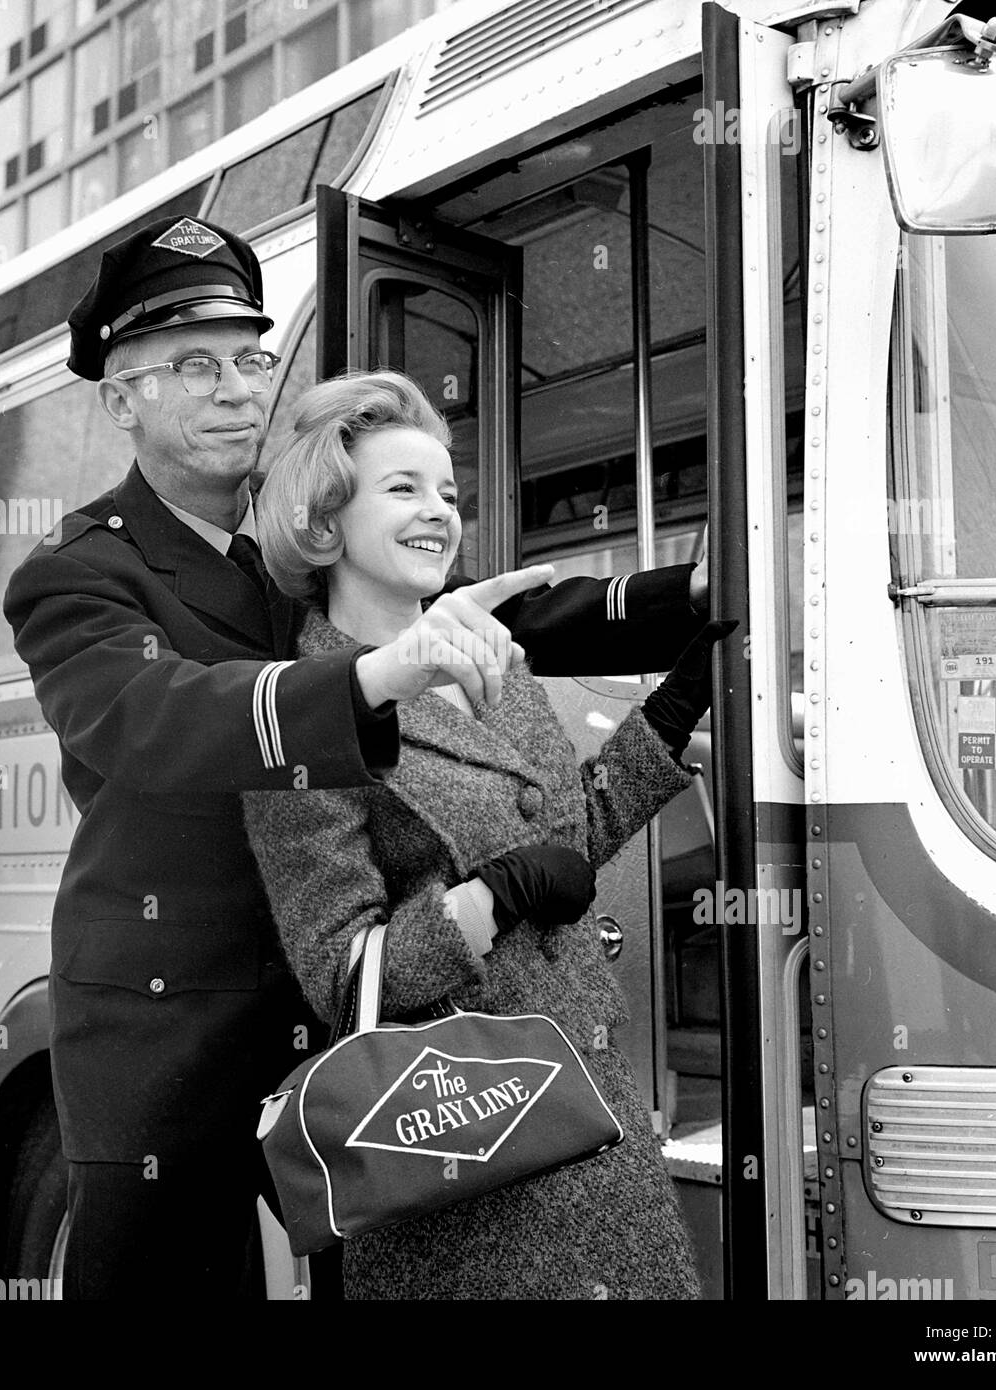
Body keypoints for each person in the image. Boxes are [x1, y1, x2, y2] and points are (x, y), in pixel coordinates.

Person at [3, 214, 713, 1299]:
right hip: (177, 1018)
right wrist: (382, 679)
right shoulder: (77, 572)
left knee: (386, 1260)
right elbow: (159, 714)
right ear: (120, 398)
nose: (237, 386)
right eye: (193, 365)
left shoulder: (293, 526)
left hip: (344, 998)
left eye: (250, 357)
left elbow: (446, 606)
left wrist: (686, 603)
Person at [244, 370, 734, 1299]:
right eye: (404, 490)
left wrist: (675, 706)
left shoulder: (490, 663)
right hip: (464, 1173)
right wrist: (492, 897)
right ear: (323, 519)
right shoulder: (300, 713)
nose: (438, 513)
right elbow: (350, 986)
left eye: (449, 494)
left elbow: (567, 840)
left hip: (593, 1136)